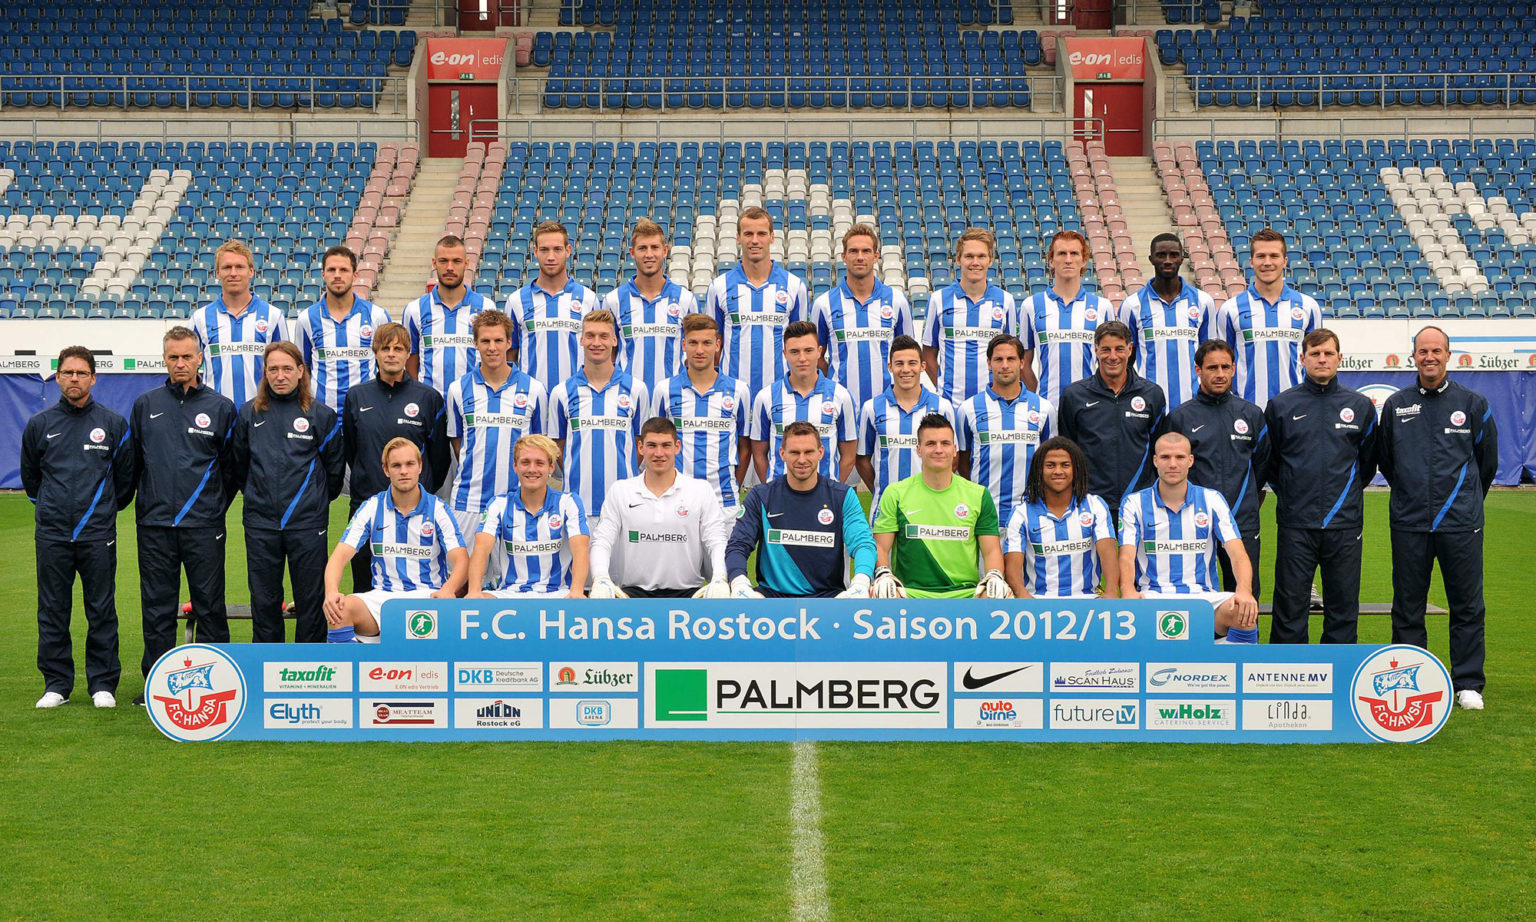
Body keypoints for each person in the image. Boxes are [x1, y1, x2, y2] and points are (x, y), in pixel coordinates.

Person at [1378, 326, 1498, 709]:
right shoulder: (1397, 405)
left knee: (1466, 604)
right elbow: (1387, 461)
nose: (1429, 357)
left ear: (1449, 355)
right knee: (1408, 605)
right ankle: (1410, 676)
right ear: (1412, 355)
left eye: (1436, 351)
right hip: (1410, 521)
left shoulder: (1473, 403)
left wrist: (1463, 500)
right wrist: (1412, 494)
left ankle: (1467, 683)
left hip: (1460, 523)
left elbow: (1487, 464)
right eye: (1422, 351)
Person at [130, 327, 239, 702]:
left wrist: (211, 506)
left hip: (204, 525)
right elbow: (136, 462)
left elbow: (232, 469)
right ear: (164, 359)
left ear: (199, 359)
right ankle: (156, 684)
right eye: (173, 357)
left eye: (187, 356)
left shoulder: (221, 407)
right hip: (155, 524)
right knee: (157, 608)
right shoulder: (146, 405)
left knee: (210, 605)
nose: (180, 363)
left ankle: (218, 683)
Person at [23, 346, 135, 709]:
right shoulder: (40, 424)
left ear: (93, 378)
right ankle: (56, 684)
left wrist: (100, 512)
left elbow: (125, 481)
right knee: (53, 609)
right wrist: (55, 510)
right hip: (53, 534)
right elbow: (31, 480)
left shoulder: (113, 423)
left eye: (81, 373)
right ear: (57, 377)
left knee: (101, 609)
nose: (74, 379)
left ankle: (102, 684)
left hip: (97, 535)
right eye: (68, 373)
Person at [1264, 328, 1377, 645]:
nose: (1322, 359)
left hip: (1344, 524)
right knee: (1290, 607)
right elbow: (1271, 463)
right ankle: (1285, 677)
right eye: (1314, 354)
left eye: (1328, 353)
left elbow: (1368, 462)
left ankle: (1337, 678)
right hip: (1296, 523)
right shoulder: (1281, 406)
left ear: (1340, 358)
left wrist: (1347, 496)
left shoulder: (1360, 406)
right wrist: (1291, 492)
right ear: (1302, 359)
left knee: (1342, 607)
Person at [230, 342, 345, 644]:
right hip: (260, 523)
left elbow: (333, 473)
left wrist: (314, 503)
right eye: (273, 369)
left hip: (307, 523)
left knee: (310, 600)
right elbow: (239, 467)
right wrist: (259, 497)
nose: (280, 376)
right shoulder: (248, 414)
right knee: (265, 600)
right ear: (265, 373)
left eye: (287, 369)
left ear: (301, 371)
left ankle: (308, 673)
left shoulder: (322, 415)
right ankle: (268, 668)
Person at [1118, 432, 1260, 643]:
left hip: (1204, 598)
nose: (1172, 464)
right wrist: (1128, 590)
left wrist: (1244, 591)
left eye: (1180, 457)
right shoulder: (1134, 503)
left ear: (1190, 461)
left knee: (1243, 612)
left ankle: (1232, 673)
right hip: (1152, 597)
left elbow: (1238, 553)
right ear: (1155, 461)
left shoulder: (1211, 499)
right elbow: (1126, 556)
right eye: (1165, 457)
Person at [341, 322, 450, 592]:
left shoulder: (428, 398)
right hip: (366, 505)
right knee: (365, 588)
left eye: (398, 348)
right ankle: (367, 636)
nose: (391, 354)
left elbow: (439, 458)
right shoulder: (356, 396)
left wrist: (416, 489)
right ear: (375, 352)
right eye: (385, 348)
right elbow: (352, 449)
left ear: (408, 353)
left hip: (414, 510)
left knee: (415, 582)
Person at [323, 438, 467, 643]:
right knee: (339, 609)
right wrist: (331, 592)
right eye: (396, 466)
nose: (404, 471)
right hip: (383, 599)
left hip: (428, 597)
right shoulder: (372, 507)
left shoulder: (438, 509)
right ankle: (352, 672)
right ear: (386, 470)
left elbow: (461, 561)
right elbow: (339, 557)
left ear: (420, 466)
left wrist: (448, 590)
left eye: (410, 464)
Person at [446, 309, 548, 583]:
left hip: (516, 502)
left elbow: (538, 446)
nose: (492, 348)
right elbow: (458, 443)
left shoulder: (534, 390)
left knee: (513, 582)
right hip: (468, 501)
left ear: (509, 343)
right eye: (486, 341)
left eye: (498, 341)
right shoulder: (458, 389)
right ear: (476, 343)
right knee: (462, 583)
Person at [1164, 339, 1271, 597]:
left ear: (1234, 369)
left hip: (1242, 520)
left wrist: (1247, 500)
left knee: (1245, 594)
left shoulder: (1252, 414)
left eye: (1225, 367)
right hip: (1194, 521)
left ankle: (1243, 639)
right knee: (1197, 594)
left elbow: (1263, 463)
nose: (1220, 374)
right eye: (1212, 368)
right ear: (1198, 370)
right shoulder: (1180, 417)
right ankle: (1202, 640)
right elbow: (1170, 469)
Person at [726, 421, 876, 598]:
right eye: (795, 452)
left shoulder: (842, 496)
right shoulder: (762, 496)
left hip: (827, 598)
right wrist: (739, 582)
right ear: (782, 454)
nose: (802, 459)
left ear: (820, 452)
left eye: (809, 452)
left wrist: (861, 581)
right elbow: (737, 545)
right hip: (771, 598)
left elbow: (863, 544)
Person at [870, 413, 1010, 600]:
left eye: (945, 443)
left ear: (954, 450)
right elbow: (880, 546)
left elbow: (992, 550)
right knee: (880, 594)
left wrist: (994, 575)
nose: (938, 450)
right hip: (910, 592)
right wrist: (883, 574)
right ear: (918, 450)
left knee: (1000, 595)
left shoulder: (978, 495)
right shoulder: (896, 493)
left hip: (965, 593)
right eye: (930, 444)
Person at [588, 418, 732, 599]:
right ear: (640, 447)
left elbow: (716, 539)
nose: (659, 453)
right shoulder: (621, 490)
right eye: (651, 445)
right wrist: (600, 577)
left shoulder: (700, 490)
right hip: (633, 594)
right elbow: (602, 541)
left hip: (689, 594)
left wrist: (720, 576)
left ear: (677, 447)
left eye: (666, 445)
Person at [1056, 321, 1166, 528]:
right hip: (1090, 501)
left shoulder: (1152, 394)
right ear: (1095, 350)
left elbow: (1158, 448)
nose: (1113, 356)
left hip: (1140, 500)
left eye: (1119, 349)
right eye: (1105, 350)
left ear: (1130, 349)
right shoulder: (1074, 396)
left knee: (1136, 561)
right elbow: (1068, 450)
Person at [551, 309, 649, 526]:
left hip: (624, 507)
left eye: (604, 336)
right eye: (591, 336)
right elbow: (558, 446)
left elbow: (640, 444)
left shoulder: (636, 389)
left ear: (614, 340)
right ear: (581, 340)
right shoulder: (561, 393)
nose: (597, 342)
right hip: (576, 507)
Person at [465, 434, 590, 599]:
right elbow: (481, 549)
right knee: (480, 599)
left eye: (540, 463)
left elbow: (580, 549)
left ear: (551, 468)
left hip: (558, 594)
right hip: (510, 594)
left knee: (578, 599)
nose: (532, 469)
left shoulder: (569, 502)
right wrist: (473, 591)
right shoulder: (498, 504)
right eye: (525, 462)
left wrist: (577, 591)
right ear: (515, 466)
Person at [651, 312, 753, 511]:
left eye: (707, 343)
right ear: (683, 345)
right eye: (693, 343)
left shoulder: (739, 391)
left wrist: (733, 484)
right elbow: (656, 444)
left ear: (717, 345)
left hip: (724, 501)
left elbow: (745, 447)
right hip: (676, 497)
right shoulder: (664, 390)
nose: (699, 350)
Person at [810, 223, 914, 415]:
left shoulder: (897, 301)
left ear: (876, 256)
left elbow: (909, 355)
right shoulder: (824, 304)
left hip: (889, 407)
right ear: (843, 256)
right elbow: (813, 356)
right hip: (838, 406)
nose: (859, 257)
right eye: (853, 251)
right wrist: (834, 380)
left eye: (866, 251)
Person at [957, 333, 1055, 531]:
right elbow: (963, 461)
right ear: (988, 363)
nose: (1004, 365)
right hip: (984, 516)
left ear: (1021, 362)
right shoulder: (968, 409)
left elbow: (1048, 460)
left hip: (1032, 515)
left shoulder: (1044, 408)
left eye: (1011, 359)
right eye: (998, 359)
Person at [1215, 227, 1321, 409]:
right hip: (1246, 412)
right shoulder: (1230, 309)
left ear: (1285, 261)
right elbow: (1222, 364)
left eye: (1274, 256)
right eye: (1261, 256)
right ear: (1251, 261)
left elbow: (1316, 362)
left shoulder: (1308, 307)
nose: (1267, 262)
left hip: (1297, 411)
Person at [1002, 436, 1117, 599]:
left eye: (1065, 465)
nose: (1058, 471)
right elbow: (1013, 564)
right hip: (1038, 601)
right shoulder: (1021, 513)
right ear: (1039, 470)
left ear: (1076, 469)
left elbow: (1108, 553)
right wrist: (1022, 594)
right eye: (1050, 465)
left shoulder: (1095, 505)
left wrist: (1111, 591)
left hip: (1088, 600)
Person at [856, 334, 954, 520]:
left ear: (923, 366)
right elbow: (862, 460)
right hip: (886, 511)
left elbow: (952, 458)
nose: (906, 369)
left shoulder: (942, 407)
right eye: (899, 363)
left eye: (912, 363)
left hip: (930, 509)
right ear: (890, 367)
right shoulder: (872, 409)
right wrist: (882, 490)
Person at [750, 320, 857, 484]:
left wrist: (830, 488)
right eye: (795, 352)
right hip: (780, 497)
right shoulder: (765, 397)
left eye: (808, 351)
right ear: (785, 353)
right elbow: (759, 454)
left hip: (825, 498)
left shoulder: (841, 396)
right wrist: (773, 489)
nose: (802, 358)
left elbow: (849, 455)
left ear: (819, 352)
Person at [1019, 229, 1116, 407]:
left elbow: (1112, 359)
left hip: (1092, 408)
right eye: (1062, 253)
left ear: (1084, 260)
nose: (1068, 259)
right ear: (1051, 261)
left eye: (1074, 253)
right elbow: (1023, 361)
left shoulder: (1103, 307)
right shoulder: (1031, 305)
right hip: (1048, 406)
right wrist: (1037, 397)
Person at [1119, 233, 1214, 410]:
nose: (1168, 260)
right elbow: (1126, 359)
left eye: (1174, 255)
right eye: (1161, 255)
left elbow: (1208, 353)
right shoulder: (1132, 305)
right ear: (1151, 259)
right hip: (1147, 403)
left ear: (1182, 258)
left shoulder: (1203, 302)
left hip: (1194, 402)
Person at [921, 227, 1016, 407]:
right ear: (958, 260)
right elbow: (928, 352)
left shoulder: (1006, 301)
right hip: (950, 404)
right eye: (969, 256)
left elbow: (1013, 354)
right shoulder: (938, 300)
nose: (975, 262)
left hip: (993, 404)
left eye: (981, 256)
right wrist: (942, 388)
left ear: (990, 261)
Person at [604, 217, 698, 390]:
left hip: (673, 397)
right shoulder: (613, 301)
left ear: (665, 250)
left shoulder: (686, 300)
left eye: (654, 247)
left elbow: (694, 352)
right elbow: (607, 355)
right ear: (632, 252)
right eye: (642, 248)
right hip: (626, 397)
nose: (649, 254)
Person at [294, 244, 390, 413]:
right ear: (323, 275)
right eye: (331, 270)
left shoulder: (377, 316)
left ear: (355, 275)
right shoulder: (306, 319)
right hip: (322, 415)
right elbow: (303, 368)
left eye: (344, 270)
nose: (337, 275)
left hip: (367, 413)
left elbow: (388, 366)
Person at [192, 239, 288, 407]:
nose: (233, 273)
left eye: (240, 267)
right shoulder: (200, 318)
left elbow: (286, 367)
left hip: (262, 414)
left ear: (251, 271)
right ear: (217, 273)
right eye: (227, 267)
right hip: (214, 414)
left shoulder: (273, 316)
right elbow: (189, 368)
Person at [506, 220, 600, 389]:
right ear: (535, 252)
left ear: (568, 251)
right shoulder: (516, 301)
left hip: (577, 397)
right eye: (544, 250)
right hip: (530, 400)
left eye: (557, 249)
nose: (550, 256)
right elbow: (510, 354)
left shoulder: (589, 299)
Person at [402, 234, 493, 395]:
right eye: (443, 261)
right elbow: (411, 358)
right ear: (434, 263)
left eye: (456, 261)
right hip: (429, 403)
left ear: (466, 264)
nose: (449, 267)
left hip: (473, 400)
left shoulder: (486, 307)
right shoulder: (414, 310)